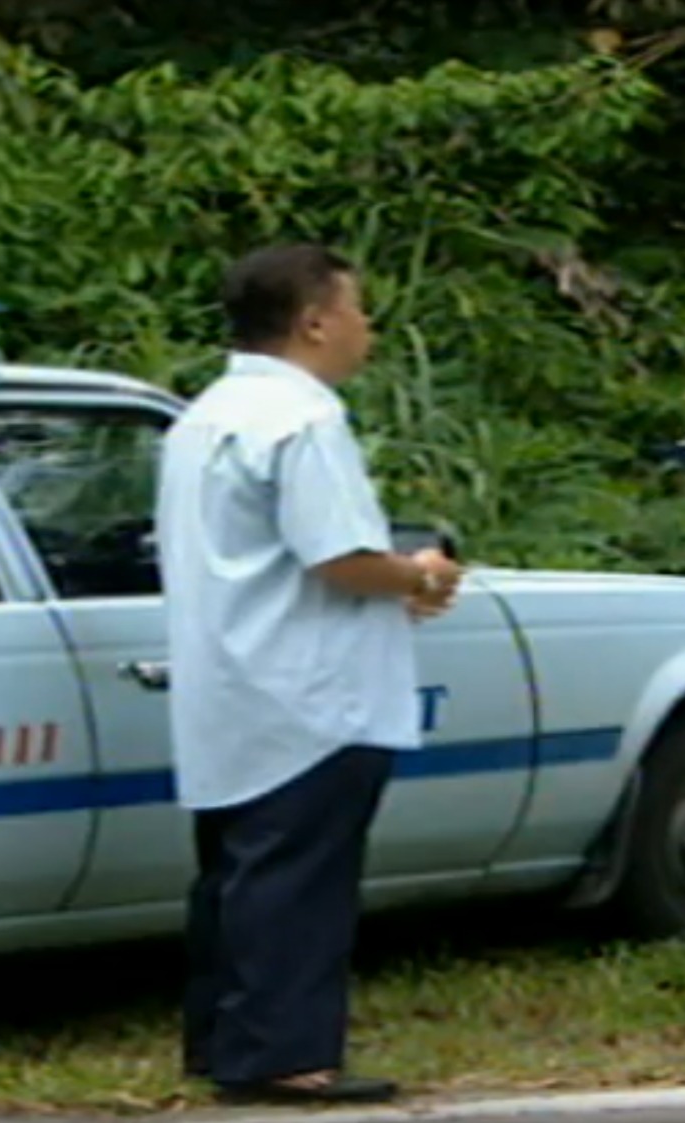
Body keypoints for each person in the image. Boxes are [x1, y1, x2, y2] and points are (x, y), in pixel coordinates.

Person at [155, 242, 463, 1105]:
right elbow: (340, 556)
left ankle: (225, 1037)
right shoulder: (304, 422)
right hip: (310, 687)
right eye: (358, 309)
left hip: (232, 679)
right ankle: (285, 1051)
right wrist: (420, 573)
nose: (366, 328)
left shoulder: (205, 414)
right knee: (300, 877)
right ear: (315, 319)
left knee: (236, 873)